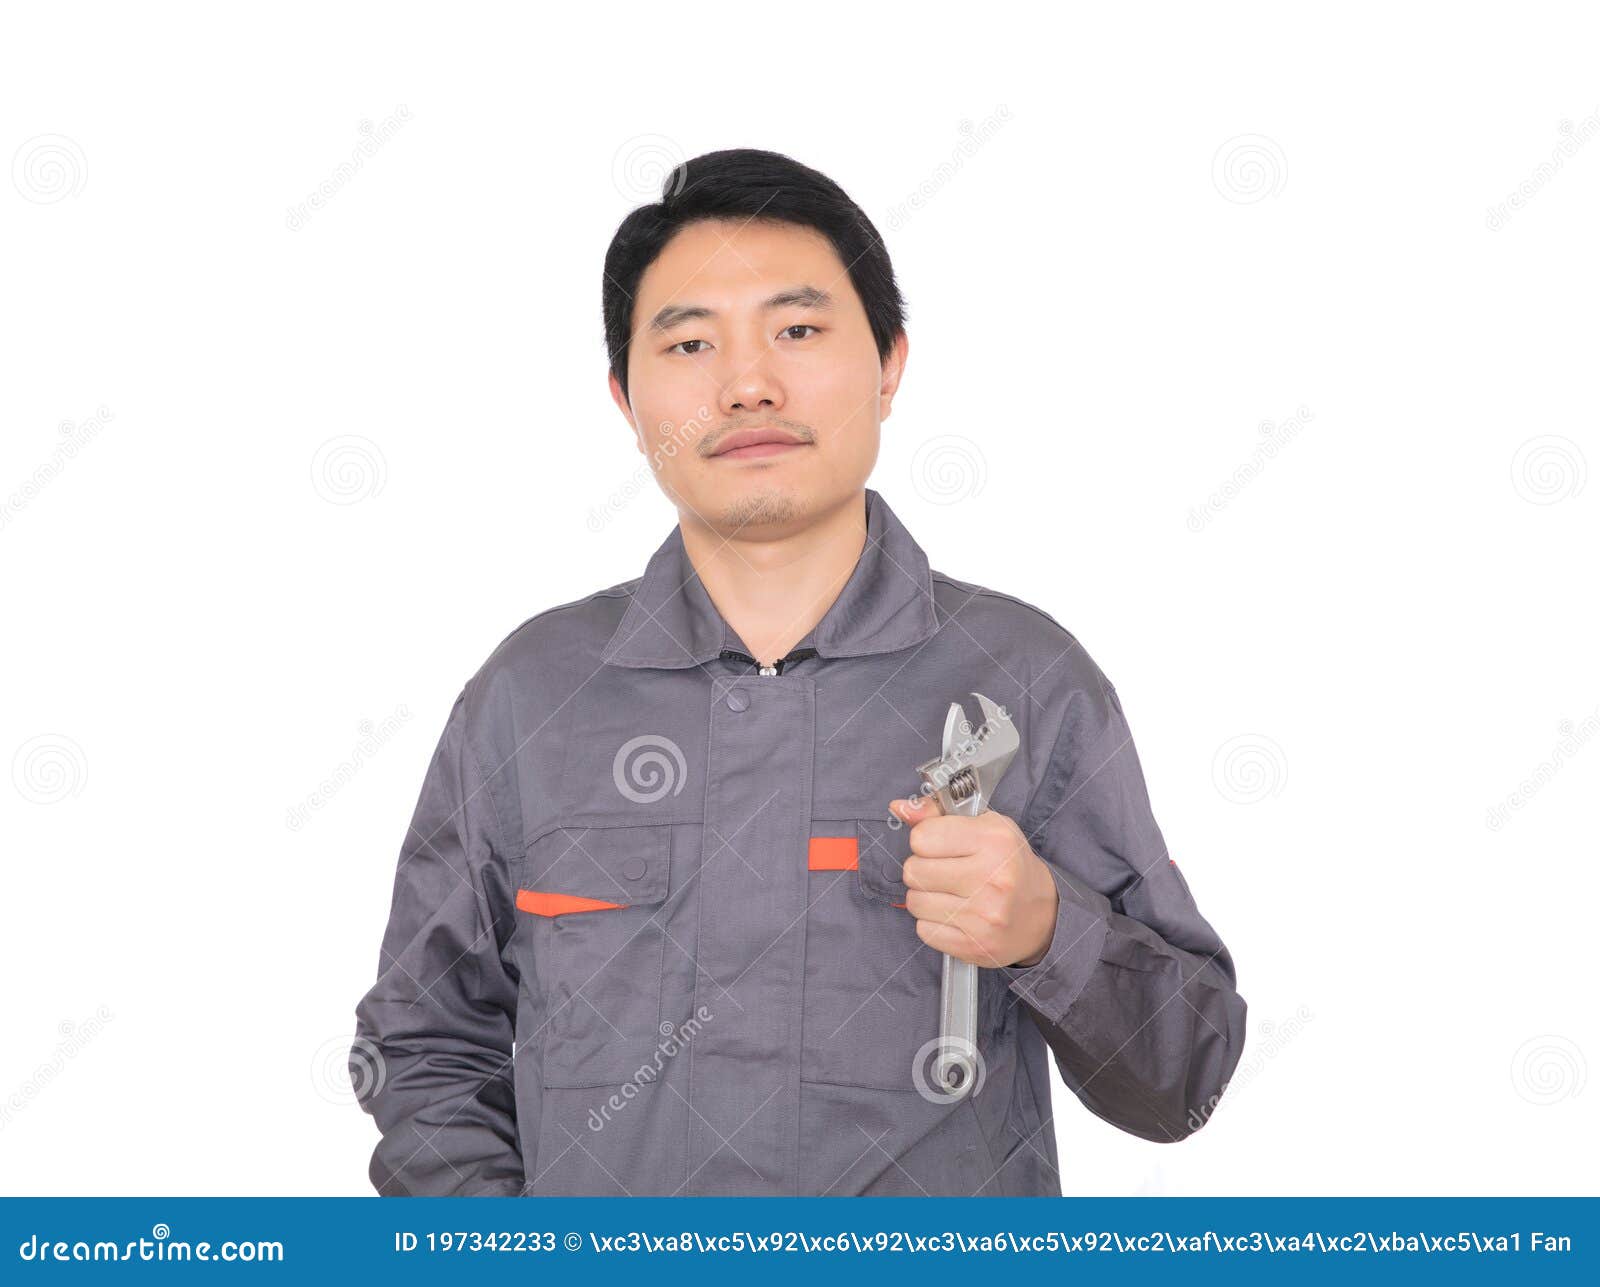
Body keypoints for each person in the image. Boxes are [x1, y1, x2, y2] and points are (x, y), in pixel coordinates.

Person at [351, 148, 1247, 1197]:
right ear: (625, 399)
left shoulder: (1026, 678)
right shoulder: (533, 696)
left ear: (889, 365)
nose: (746, 384)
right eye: (689, 342)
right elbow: (422, 1047)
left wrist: (1048, 928)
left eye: (799, 330)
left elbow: (1179, 1082)